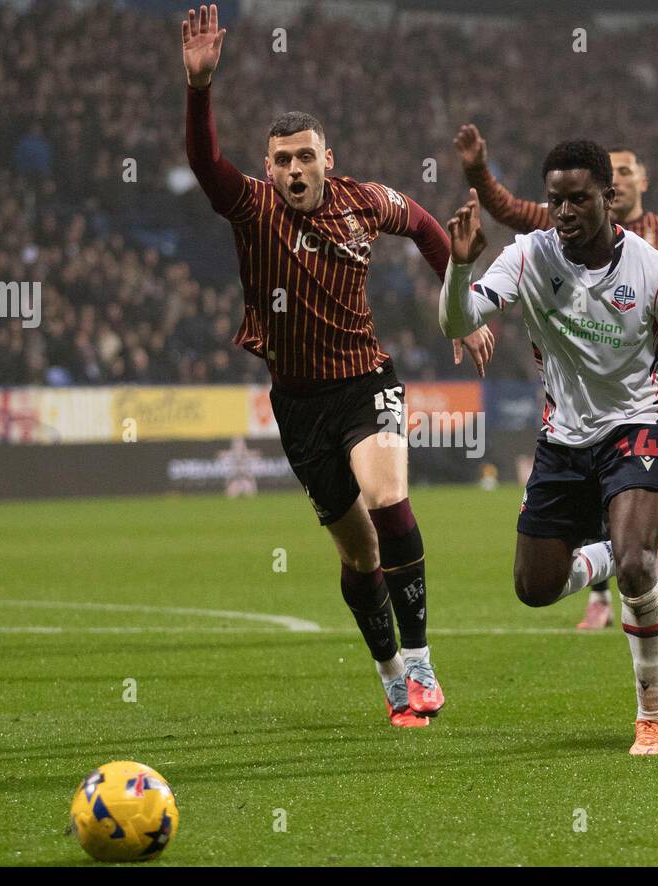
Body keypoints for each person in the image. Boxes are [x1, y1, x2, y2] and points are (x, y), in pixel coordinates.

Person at [181, 5, 495, 726]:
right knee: (357, 557)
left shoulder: (362, 201)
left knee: (388, 501)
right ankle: (390, 674)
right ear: (269, 168)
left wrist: (465, 302)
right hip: (297, 406)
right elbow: (204, 163)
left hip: (366, 382)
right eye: (282, 159)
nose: (294, 169)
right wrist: (200, 89)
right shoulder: (252, 209)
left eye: (305, 156)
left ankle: (420, 662)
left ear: (328, 158)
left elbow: (422, 224)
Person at [439, 142, 658, 755]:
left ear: (607, 199)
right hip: (562, 440)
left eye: (578, 199)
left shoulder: (654, 269)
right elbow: (457, 324)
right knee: (534, 587)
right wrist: (459, 270)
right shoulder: (528, 256)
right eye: (554, 199)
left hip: (638, 425)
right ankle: (621, 551)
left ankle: (652, 720)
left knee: (641, 569)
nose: (563, 211)